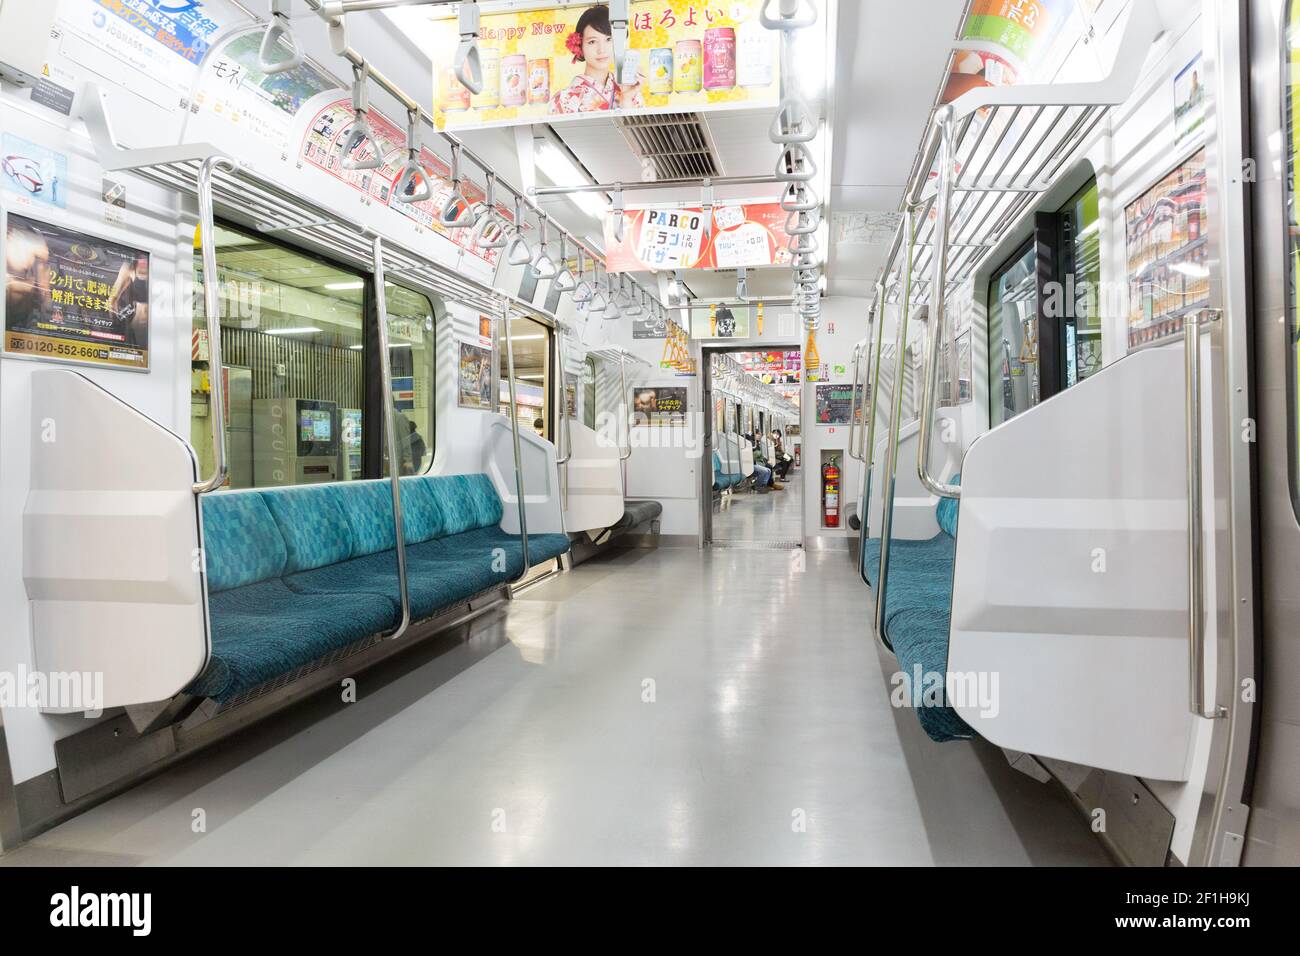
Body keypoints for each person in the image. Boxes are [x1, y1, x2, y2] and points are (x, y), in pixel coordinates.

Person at [550, 5, 644, 114]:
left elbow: (640, 131)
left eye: (609, 39)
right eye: (592, 41)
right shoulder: (563, 100)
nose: (601, 50)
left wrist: (627, 99)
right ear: (579, 46)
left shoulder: (631, 92)